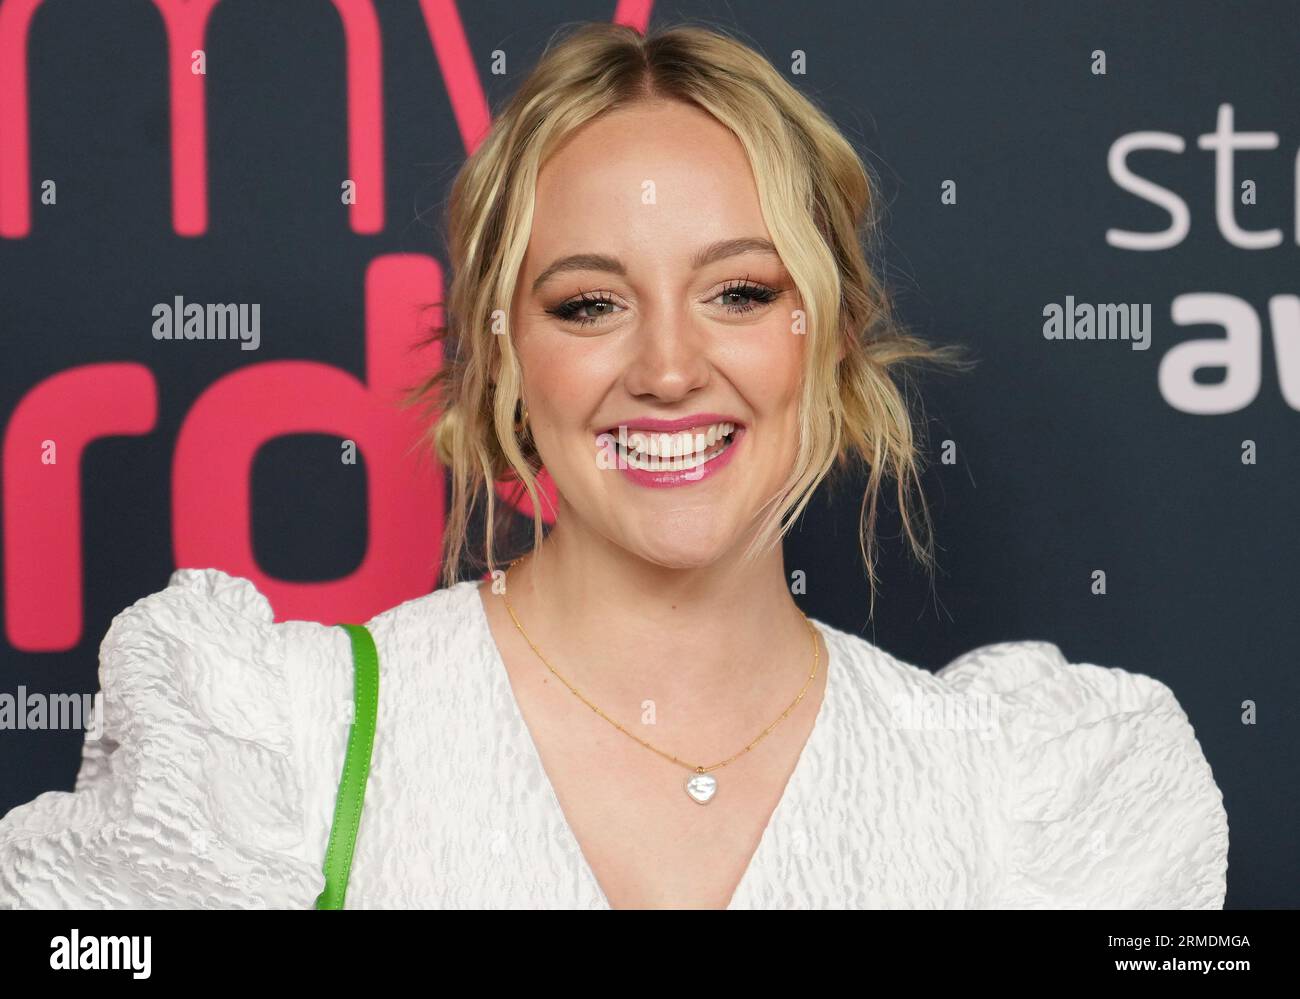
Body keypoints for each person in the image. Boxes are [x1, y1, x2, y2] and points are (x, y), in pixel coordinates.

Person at [0, 21, 1227, 909]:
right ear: (505, 354)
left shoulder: (1017, 794)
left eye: (739, 292)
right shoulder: (284, 746)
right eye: (589, 305)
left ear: (833, 332)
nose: (670, 368)